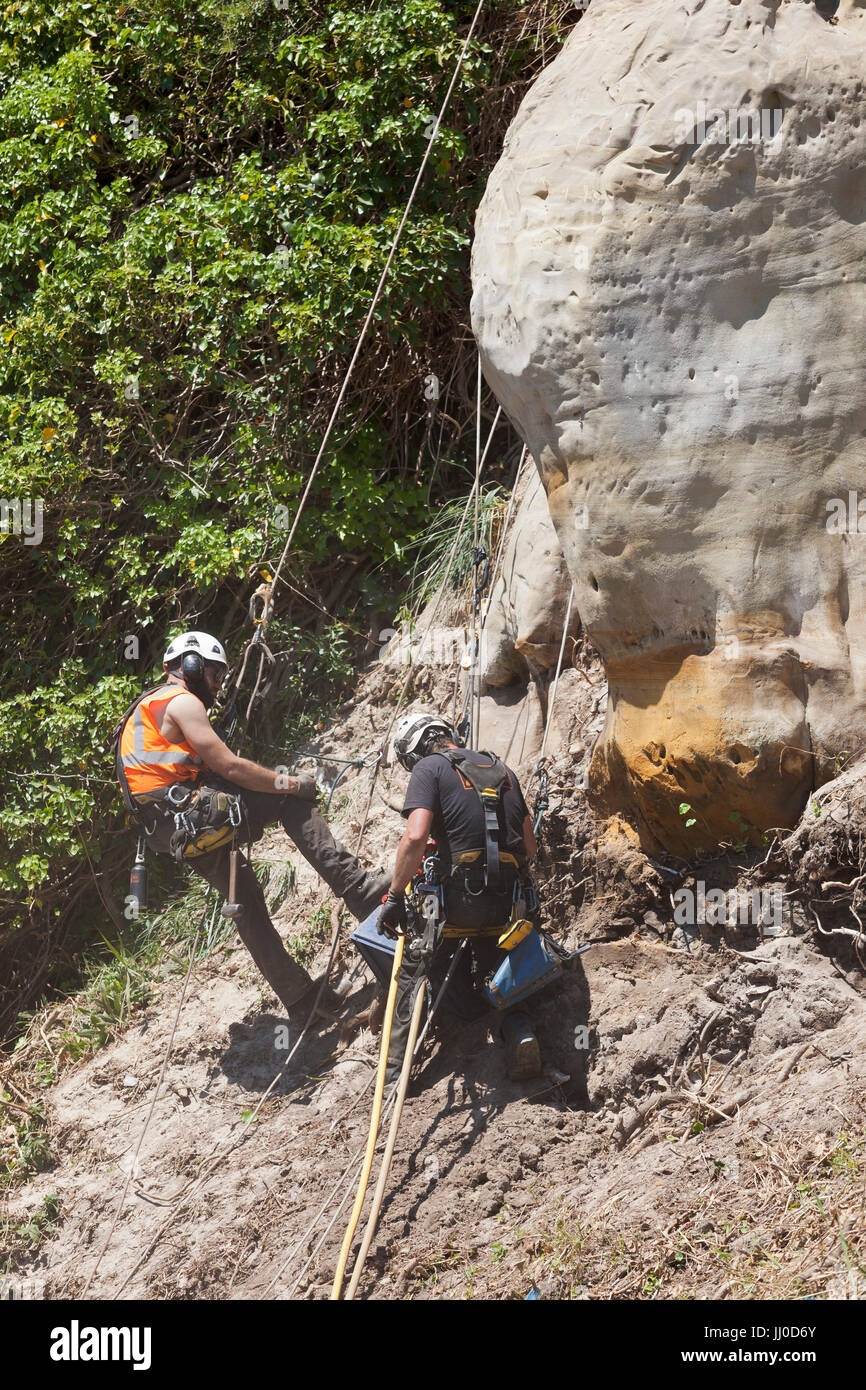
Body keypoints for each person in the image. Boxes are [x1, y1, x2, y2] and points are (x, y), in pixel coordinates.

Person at [113, 631, 388, 1016]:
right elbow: (229, 766)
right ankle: (360, 890)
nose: (219, 685)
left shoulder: (146, 710)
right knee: (290, 801)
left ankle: (300, 998)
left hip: (171, 831)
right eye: (215, 675)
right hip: (193, 815)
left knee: (243, 898)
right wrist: (293, 783)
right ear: (192, 666)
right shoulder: (181, 702)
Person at [379, 709, 542, 1084]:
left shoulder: (429, 768)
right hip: (508, 905)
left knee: (414, 968)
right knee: (497, 969)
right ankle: (519, 1032)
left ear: (417, 750)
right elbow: (529, 847)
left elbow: (416, 837)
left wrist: (393, 896)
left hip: (456, 904)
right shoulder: (506, 772)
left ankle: (392, 1075)